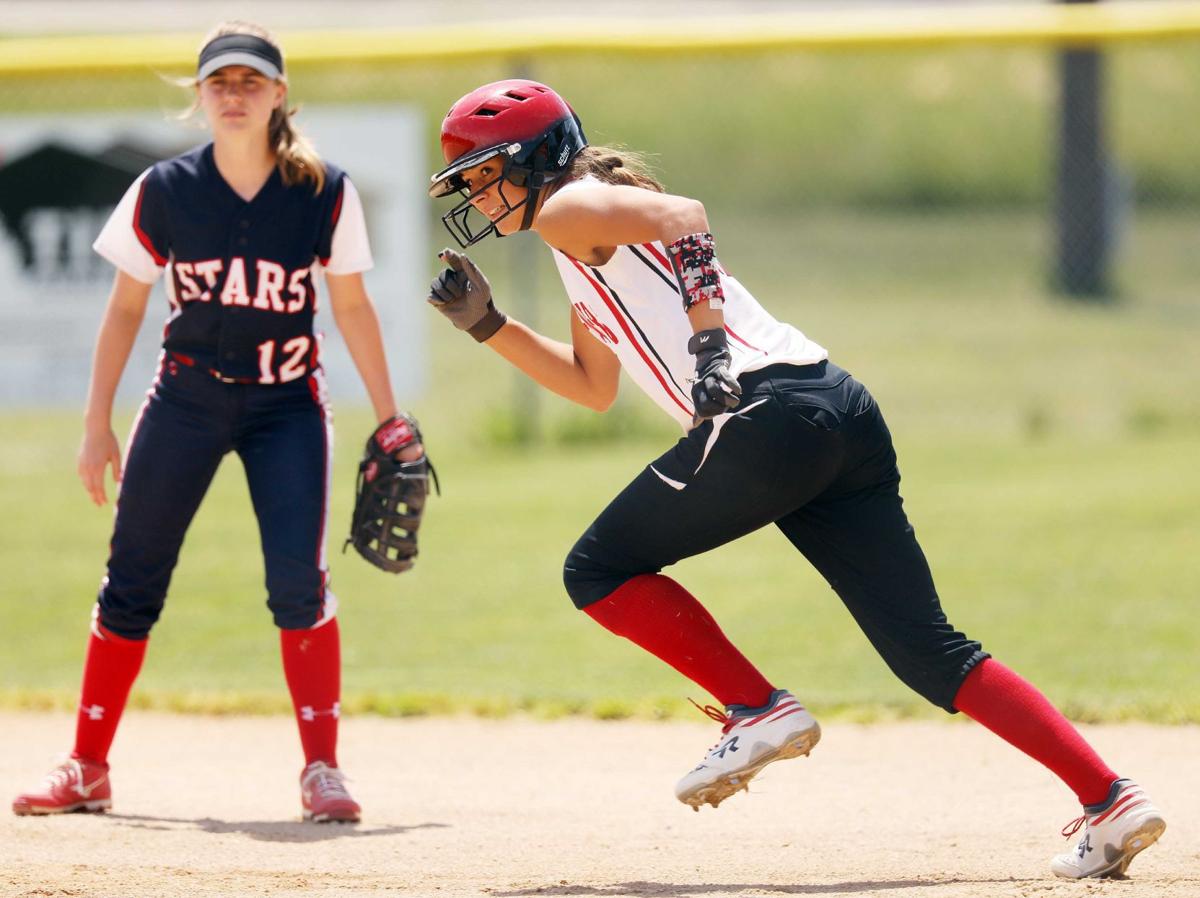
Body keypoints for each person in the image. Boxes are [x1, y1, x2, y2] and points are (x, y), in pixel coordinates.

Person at [425, 79, 1165, 879]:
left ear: (538, 159)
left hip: (766, 413)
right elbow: (591, 387)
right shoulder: (578, 239)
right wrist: (488, 326)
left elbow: (687, 216)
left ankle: (758, 707)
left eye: (484, 171)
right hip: (834, 407)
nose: (475, 193)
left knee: (596, 571)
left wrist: (709, 349)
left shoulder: (572, 207)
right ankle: (1110, 800)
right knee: (929, 651)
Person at [12, 21, 417, 823]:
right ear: (198, 98)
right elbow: (125, 307)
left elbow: (353, 306)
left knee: (299, 585)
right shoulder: (164, 189)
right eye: (220, 83)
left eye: (251, 82)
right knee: (131, 582)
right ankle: (87, 766)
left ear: (279, 95)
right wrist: (96, 423)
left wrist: (390, 418)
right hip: (185, 400)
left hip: (286, 407)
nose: (235, 95)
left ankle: (323, 770)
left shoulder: (324, 192)